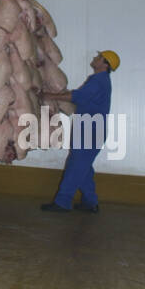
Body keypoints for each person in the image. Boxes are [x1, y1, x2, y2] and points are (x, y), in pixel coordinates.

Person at [41, 50, 120, 213]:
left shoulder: (99, 80)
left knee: (76, 166)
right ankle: (90, 202)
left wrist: (49, 95)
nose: (95, 58)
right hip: (89, 127)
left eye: (99, 58)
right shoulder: (101, 80)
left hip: (91, 129)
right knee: (83, 166)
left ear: (105, 64)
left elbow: (76, 96)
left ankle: (62, 202)